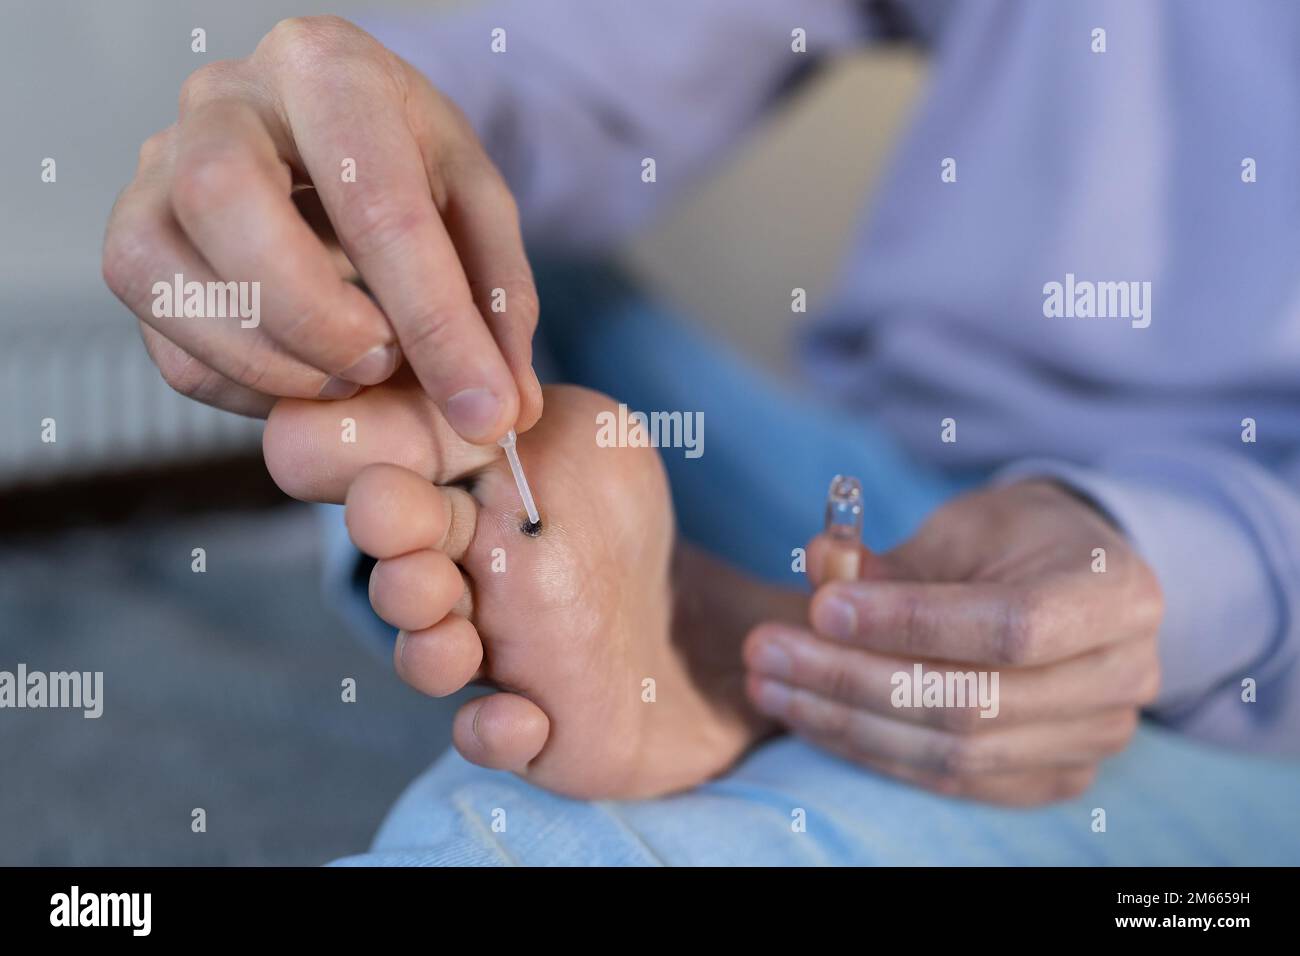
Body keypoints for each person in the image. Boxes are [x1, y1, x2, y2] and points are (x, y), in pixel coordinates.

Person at [102, 2, 1300, 863]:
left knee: (533, 844)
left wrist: (1189, 573)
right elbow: (596, 52)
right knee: (434, 252)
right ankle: (776, 642)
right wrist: (340, 138)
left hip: (1234, 639)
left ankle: (767, 674)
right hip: (864, 482)